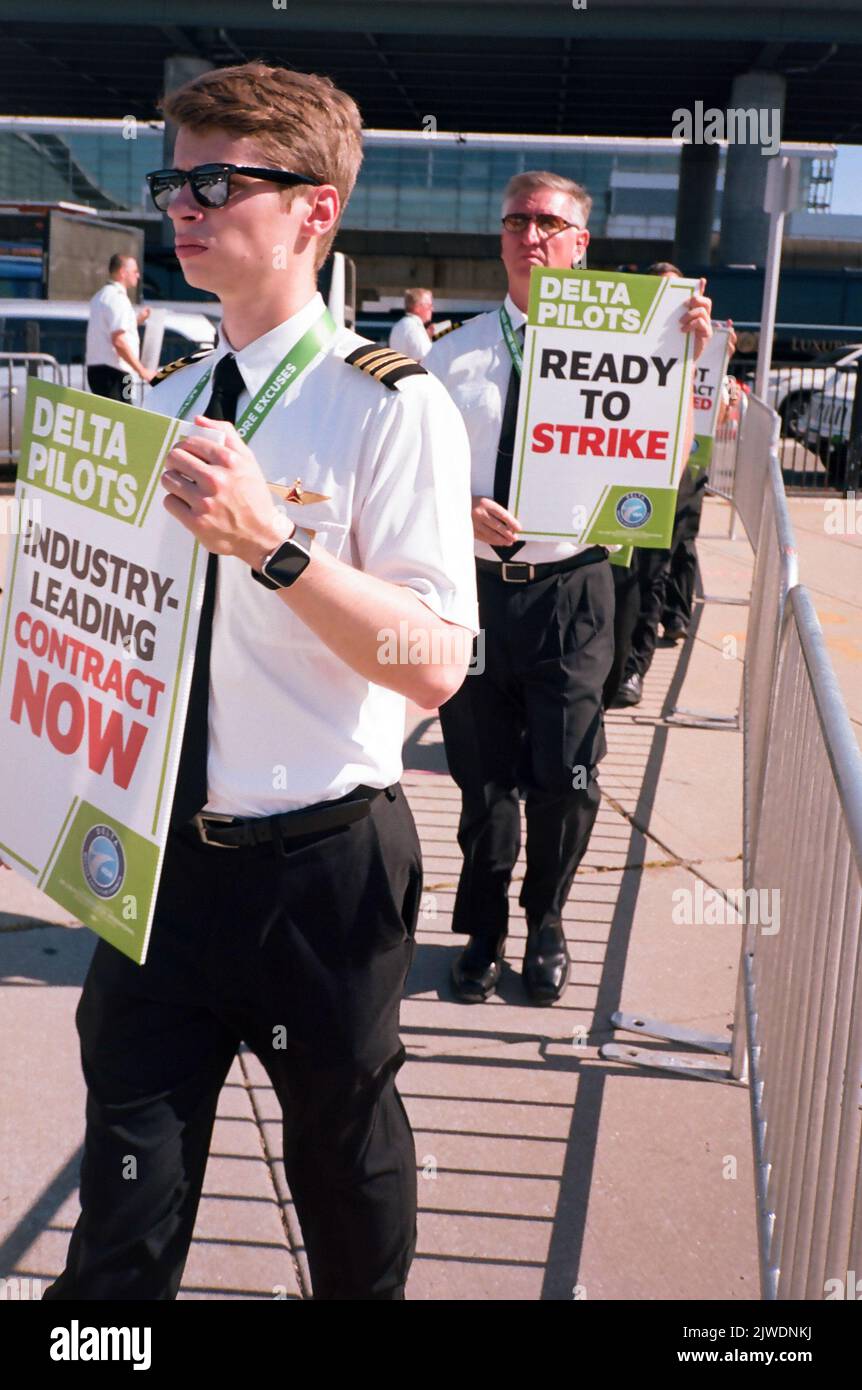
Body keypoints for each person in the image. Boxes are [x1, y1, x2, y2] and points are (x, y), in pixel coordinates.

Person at [35, 60, 478, 1303]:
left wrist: (272, 546)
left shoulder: (390, 411)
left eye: (220, 180)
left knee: (342, 1172)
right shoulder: (162, 402)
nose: (183, 203)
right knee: (123, 1210)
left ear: (313, 210)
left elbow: (437, 664)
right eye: (175, 179)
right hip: (161, 868)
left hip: (319, 871)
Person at [426, 177, 712, 1004]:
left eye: (550, 222)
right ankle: (482, 930)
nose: (531, 235)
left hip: (576, 590)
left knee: (568, 775)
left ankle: (546, 918)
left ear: (582, 242)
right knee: (483, 784)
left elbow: (662, 468)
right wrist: (458, 509)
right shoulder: (452, 354)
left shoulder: (640, 346)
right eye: (516, 220)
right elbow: (410, 479)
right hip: (476, 594)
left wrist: (681, 364)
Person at [85, 253, 153, 400]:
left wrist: (137, 320)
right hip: (116, 372)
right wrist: (142, 371)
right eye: (135, 271)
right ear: (123, 272)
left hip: (98, 370)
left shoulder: (100, 296)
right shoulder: (118, 299)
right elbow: (119, 341)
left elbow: (109, 330)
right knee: (124, 418)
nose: (138, 275)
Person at [389, 287, 434, 360]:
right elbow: (424, 358)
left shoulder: (400, 325)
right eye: (429, 305)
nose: (432, 309)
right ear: (417, 307)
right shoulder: (414, 327)